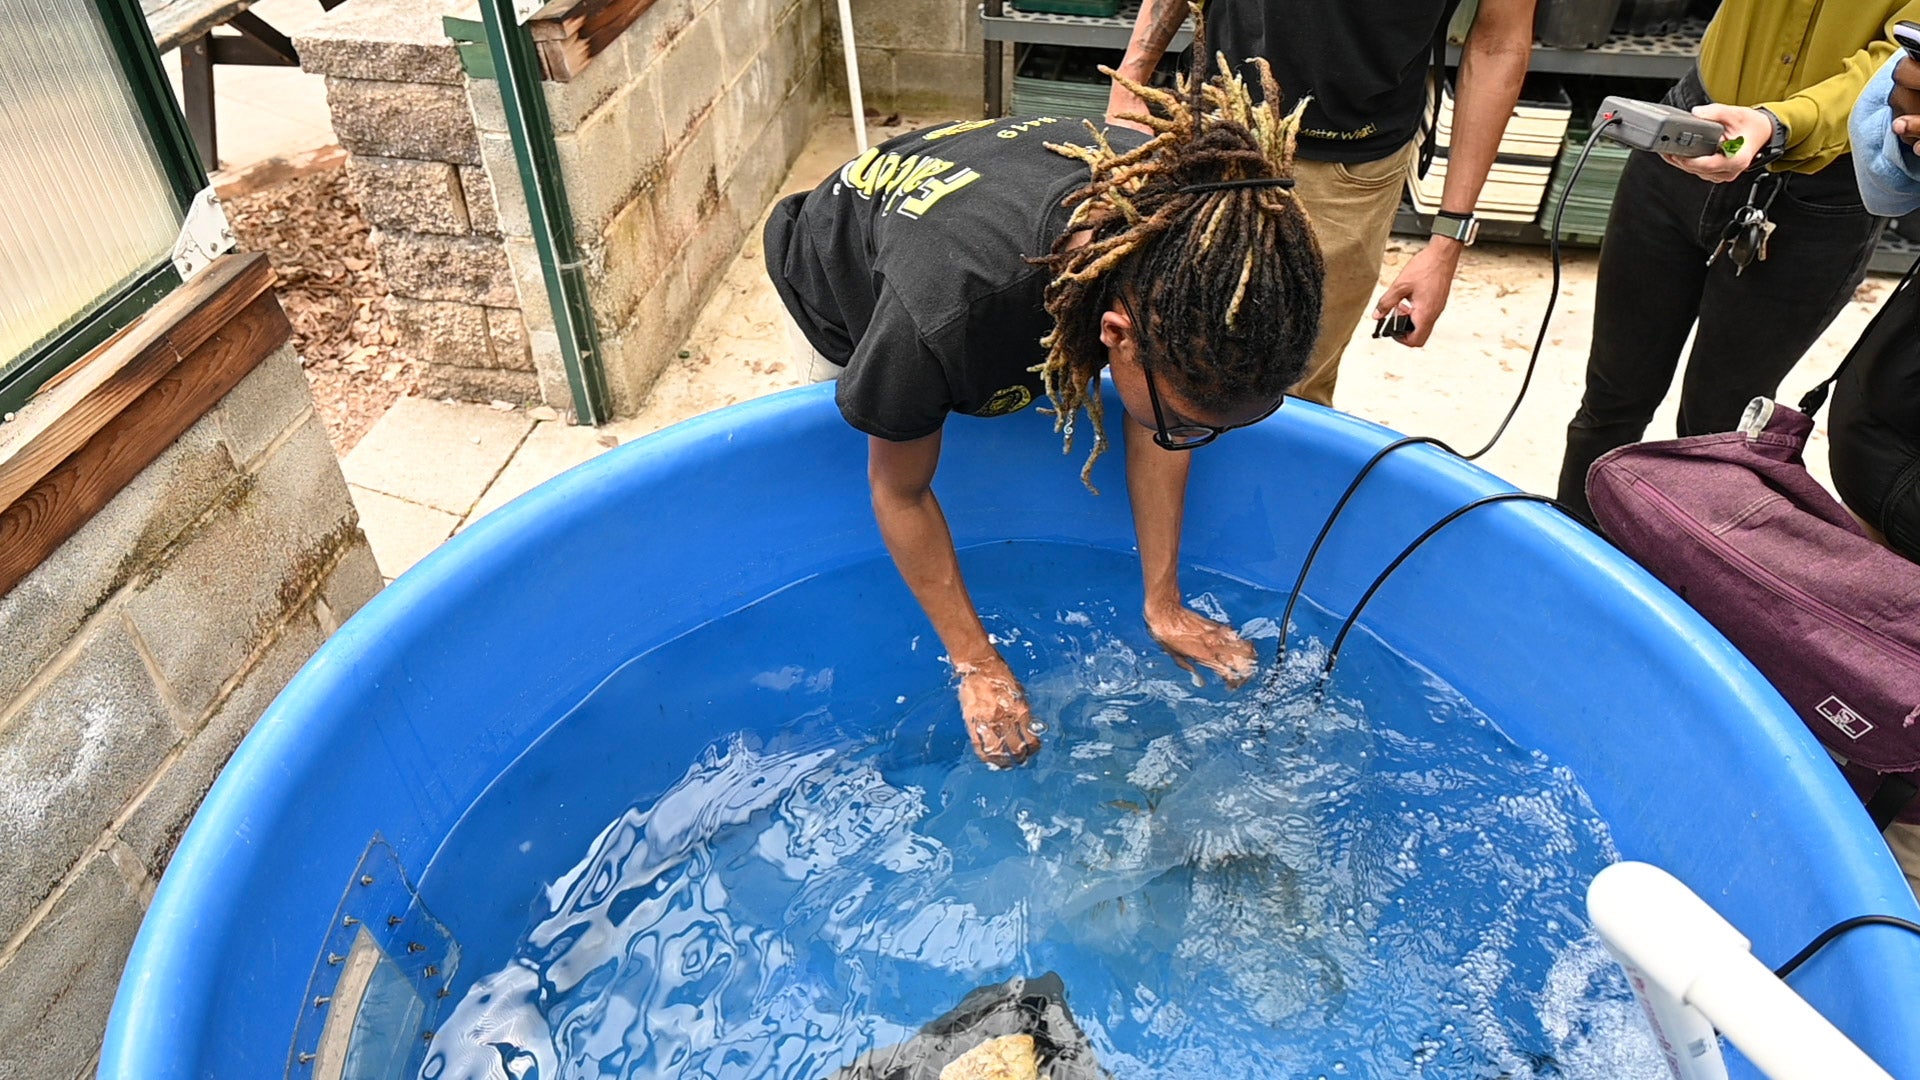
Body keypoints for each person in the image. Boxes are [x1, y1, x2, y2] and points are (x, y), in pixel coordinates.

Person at [762, 33, 1324, 768]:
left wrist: (1163, 604)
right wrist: (977, 664)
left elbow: (1158, 423)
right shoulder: (944, 312)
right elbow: (898, 492)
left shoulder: (1182, 223)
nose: (1195, 438)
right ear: (1117, 333)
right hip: (843, 267)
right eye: (1191, 426)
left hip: (987, 215)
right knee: (885, 433)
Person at [1555, 2, 1920, 523]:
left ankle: (1674, 589)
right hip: (1693, 127)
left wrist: (1777, 123)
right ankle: (1569, 556)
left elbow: (1895, 67)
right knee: (1611, 399)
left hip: (1824, 184)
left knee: (1717, 431)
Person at [1104, 0, 1538, 405]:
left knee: (1290, 384)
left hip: (1348, 167)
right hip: (1216, 127)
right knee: (1167, 359)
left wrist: (1449, 238)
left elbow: (1499, 43)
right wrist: (1131, 80)